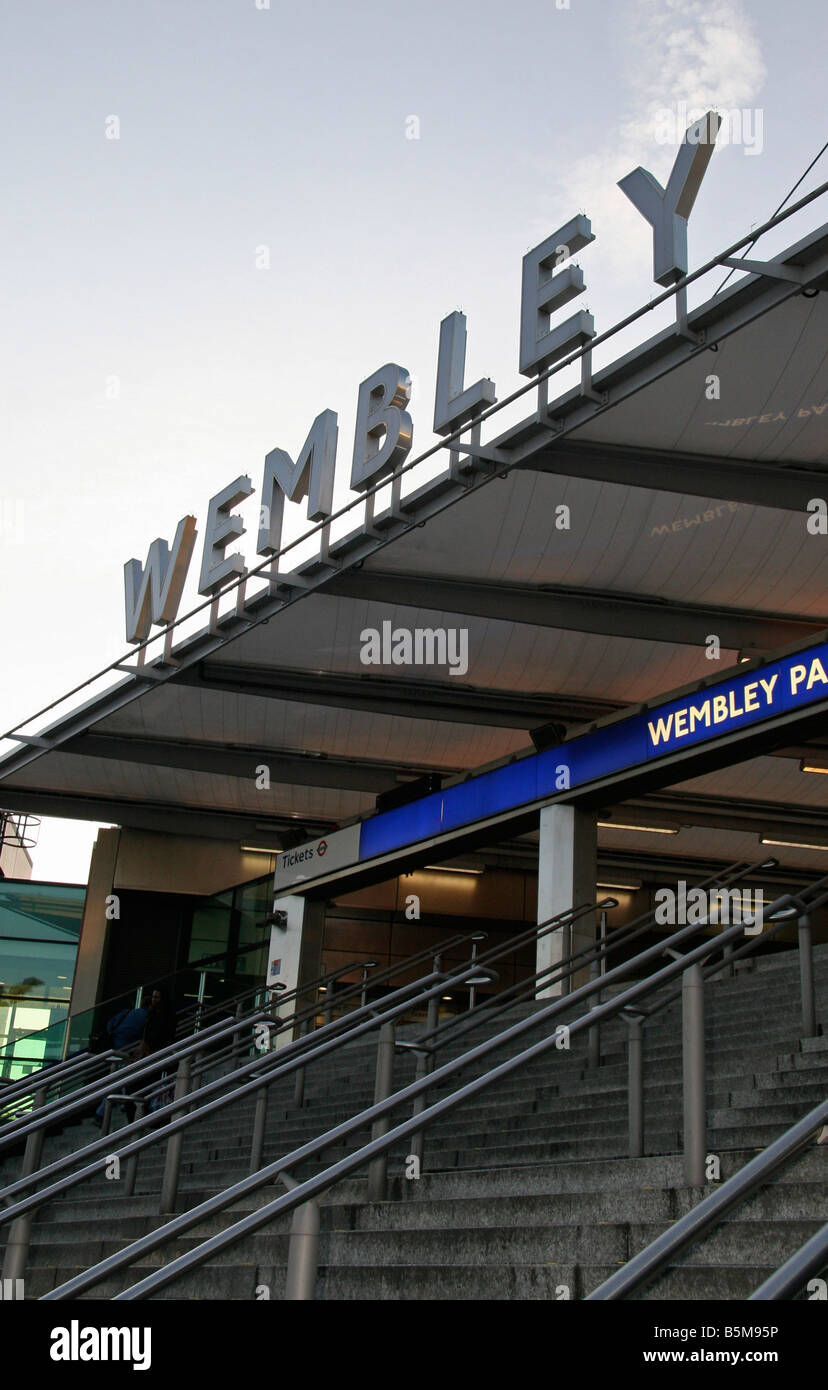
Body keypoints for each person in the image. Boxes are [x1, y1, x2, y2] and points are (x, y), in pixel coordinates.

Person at [92, 995, 148, 1125]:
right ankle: (114, 1107)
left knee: (119, 1080)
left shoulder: (128, 1013)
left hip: (116, 1048)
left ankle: (108, 1110)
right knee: (122, 1080)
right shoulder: (144, 1016)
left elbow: (110, 1024)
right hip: (127, 1051)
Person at [140, 988, 177, 1113]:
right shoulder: (153, 1012)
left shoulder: (164, 1014)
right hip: (153, 1050)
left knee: (154, 1079)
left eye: (157, 997)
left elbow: (163, 1033)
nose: (154, 1000)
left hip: (158, 1050)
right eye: (153, 997)